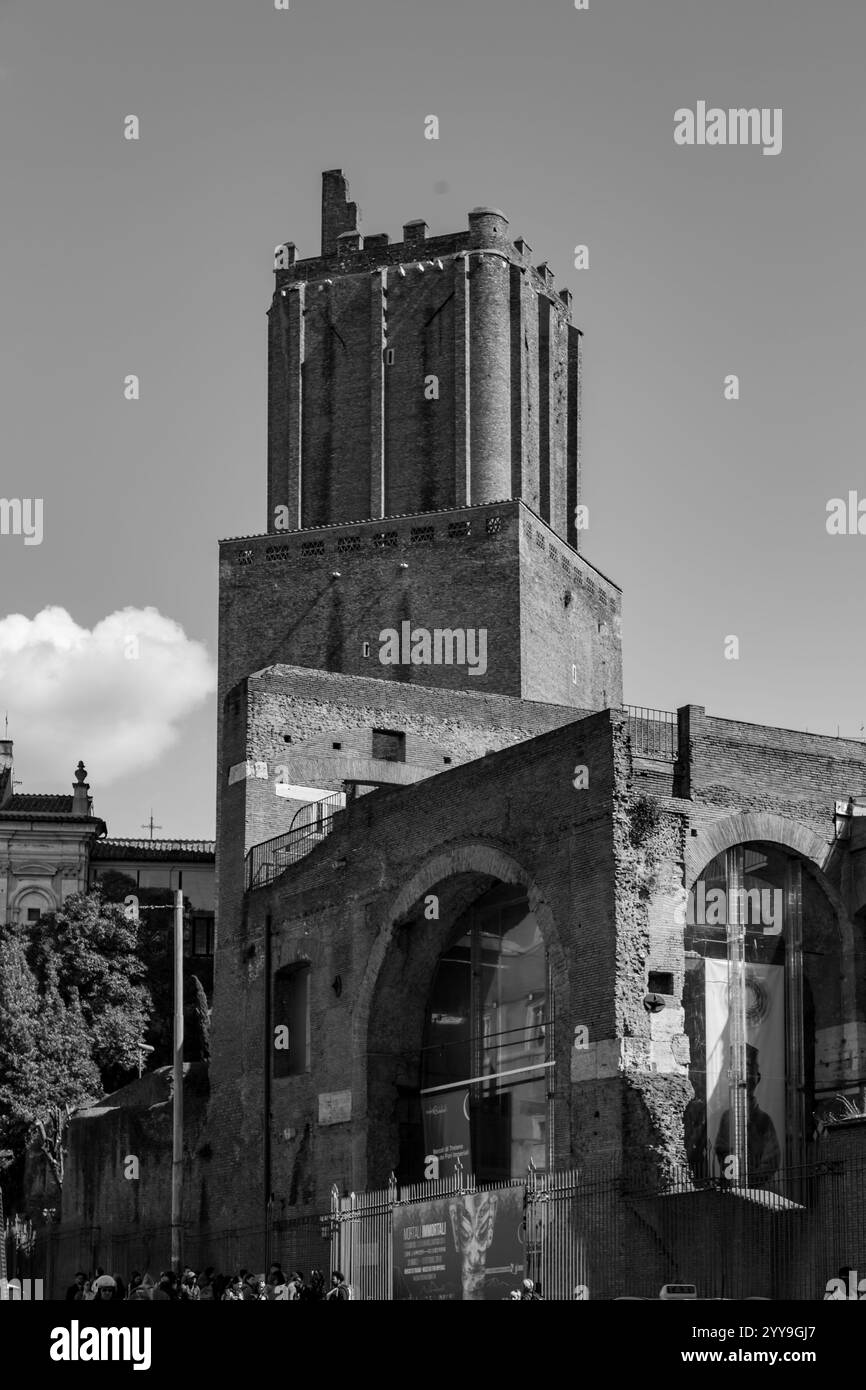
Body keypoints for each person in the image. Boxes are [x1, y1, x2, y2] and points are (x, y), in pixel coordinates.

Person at [714, 1045, 781, 1186]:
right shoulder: (727, 1118)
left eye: (749, 1066)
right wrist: (735, 1177)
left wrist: (751, 1180)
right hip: (733, 1190)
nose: (743, 1074)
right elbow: (723, 1153)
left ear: (758, 1077)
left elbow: (771, 1160)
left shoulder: (764, 1120)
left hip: (759, 1191)